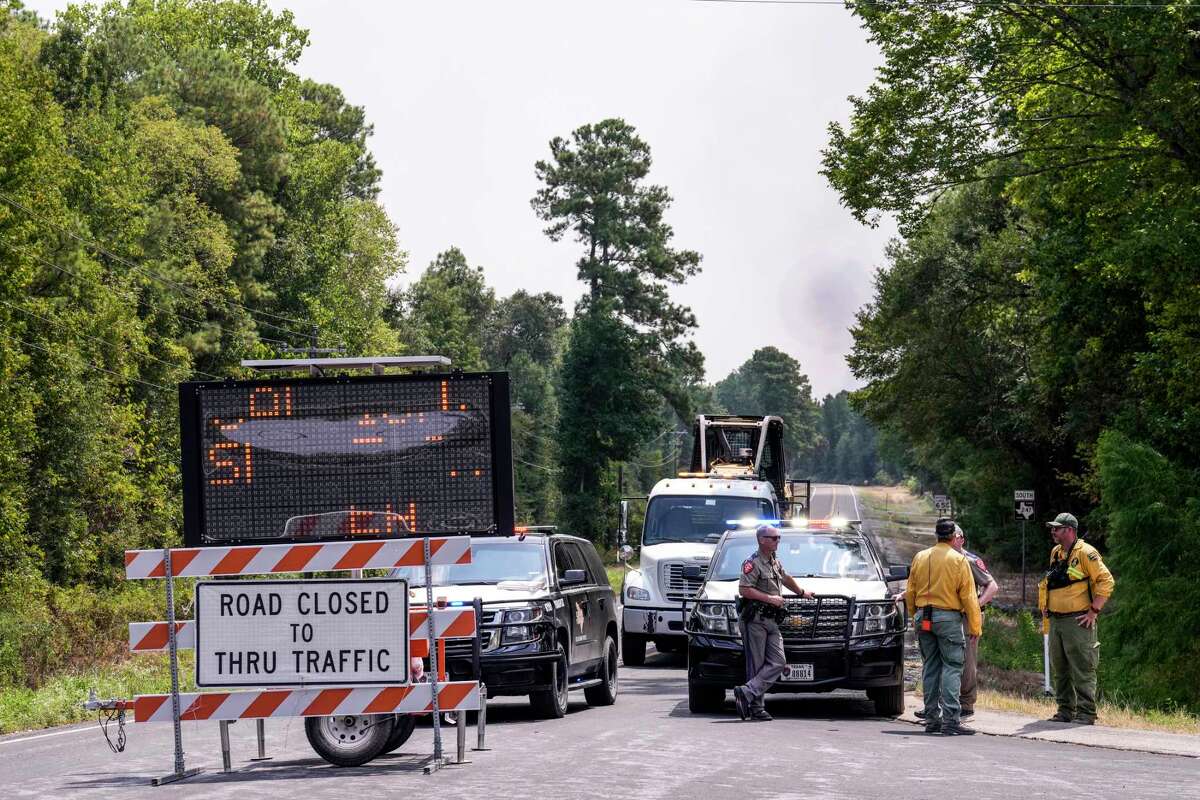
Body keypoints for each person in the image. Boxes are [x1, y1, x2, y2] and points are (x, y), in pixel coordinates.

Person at [905, 518, 982, 735]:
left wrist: (914, 616)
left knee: (930, 666)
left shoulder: (920, 557)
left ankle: (931, 719)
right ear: (952, 537)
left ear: (936, 535)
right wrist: (975, 626)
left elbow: (910, 591)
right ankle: (950, 721)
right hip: (948, 618)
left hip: (923, 617)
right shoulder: (958, 560)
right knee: (952, 666)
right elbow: (968, 596)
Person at [1038, 512, 1115, 725]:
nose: (1053, 531)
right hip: (1056, 620)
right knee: (1060, 667)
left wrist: (1094, 611)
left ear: (1069, 530)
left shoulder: (1086, 553)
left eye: (1057, 528)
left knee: (1083, 666)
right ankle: (1064, 711)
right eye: (1053, 528)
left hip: (1077, 621)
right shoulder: (1056, 552)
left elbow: (1106, 581)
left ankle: (1086, 713)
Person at [732, 524, 815, 722]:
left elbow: (785, 578)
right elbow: (744, 589)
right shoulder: (752, 563)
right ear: (762, 540)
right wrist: (770, 599)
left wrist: (802, 593)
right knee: (757, 664)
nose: (778, 541)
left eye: (779, 537)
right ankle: (757, 708)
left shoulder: (773, 561)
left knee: (778, 661)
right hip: (756, 620)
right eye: (774, 538)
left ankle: (747, 691)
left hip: (771, 620)